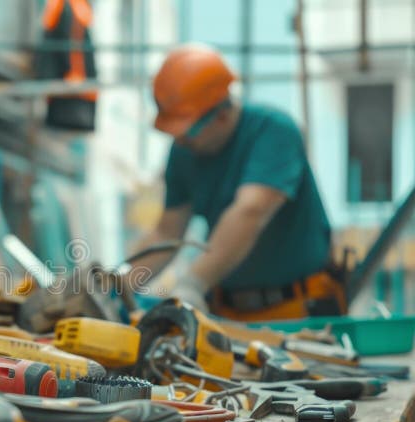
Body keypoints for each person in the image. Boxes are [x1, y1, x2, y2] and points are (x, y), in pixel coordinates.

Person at [132, 43, 345, 321]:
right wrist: (115, 285)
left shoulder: (273, 132)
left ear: (221, 115)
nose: (180, 141)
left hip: (299, 310)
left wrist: (193, 282)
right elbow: (166, 233)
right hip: (227, 311)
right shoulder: (184, 151)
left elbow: (251, 211)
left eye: (187, 132)